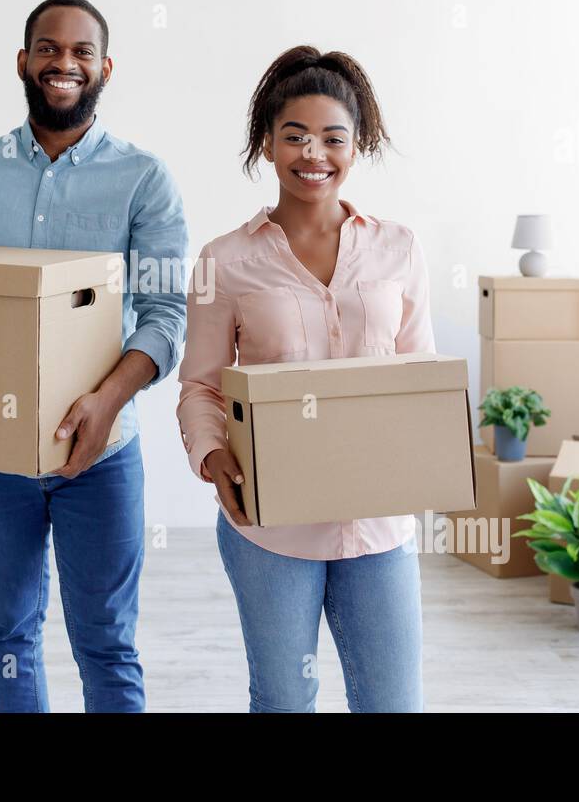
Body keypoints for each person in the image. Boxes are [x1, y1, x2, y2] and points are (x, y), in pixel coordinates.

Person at [0, 0, 188, 713]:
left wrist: (106, 402)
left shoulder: (144, 179)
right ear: (24, 61)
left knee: (105, 641)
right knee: (10, 631)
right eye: (49, 49)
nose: (64, 63)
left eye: (80, 52)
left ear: (105, 68)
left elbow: (164, 315)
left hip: (103, 451)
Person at [176, 45, 429, 712]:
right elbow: (200, 384)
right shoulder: (224, 260)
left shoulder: (399, 248)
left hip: (378, 527)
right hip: (271, 526)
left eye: (332, 138)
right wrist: (211, 454)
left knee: (392, 703)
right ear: (267, 144)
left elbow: (421, 380)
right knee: (284, 699)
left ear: (358, 145)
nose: (313, 154)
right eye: (295, 136)